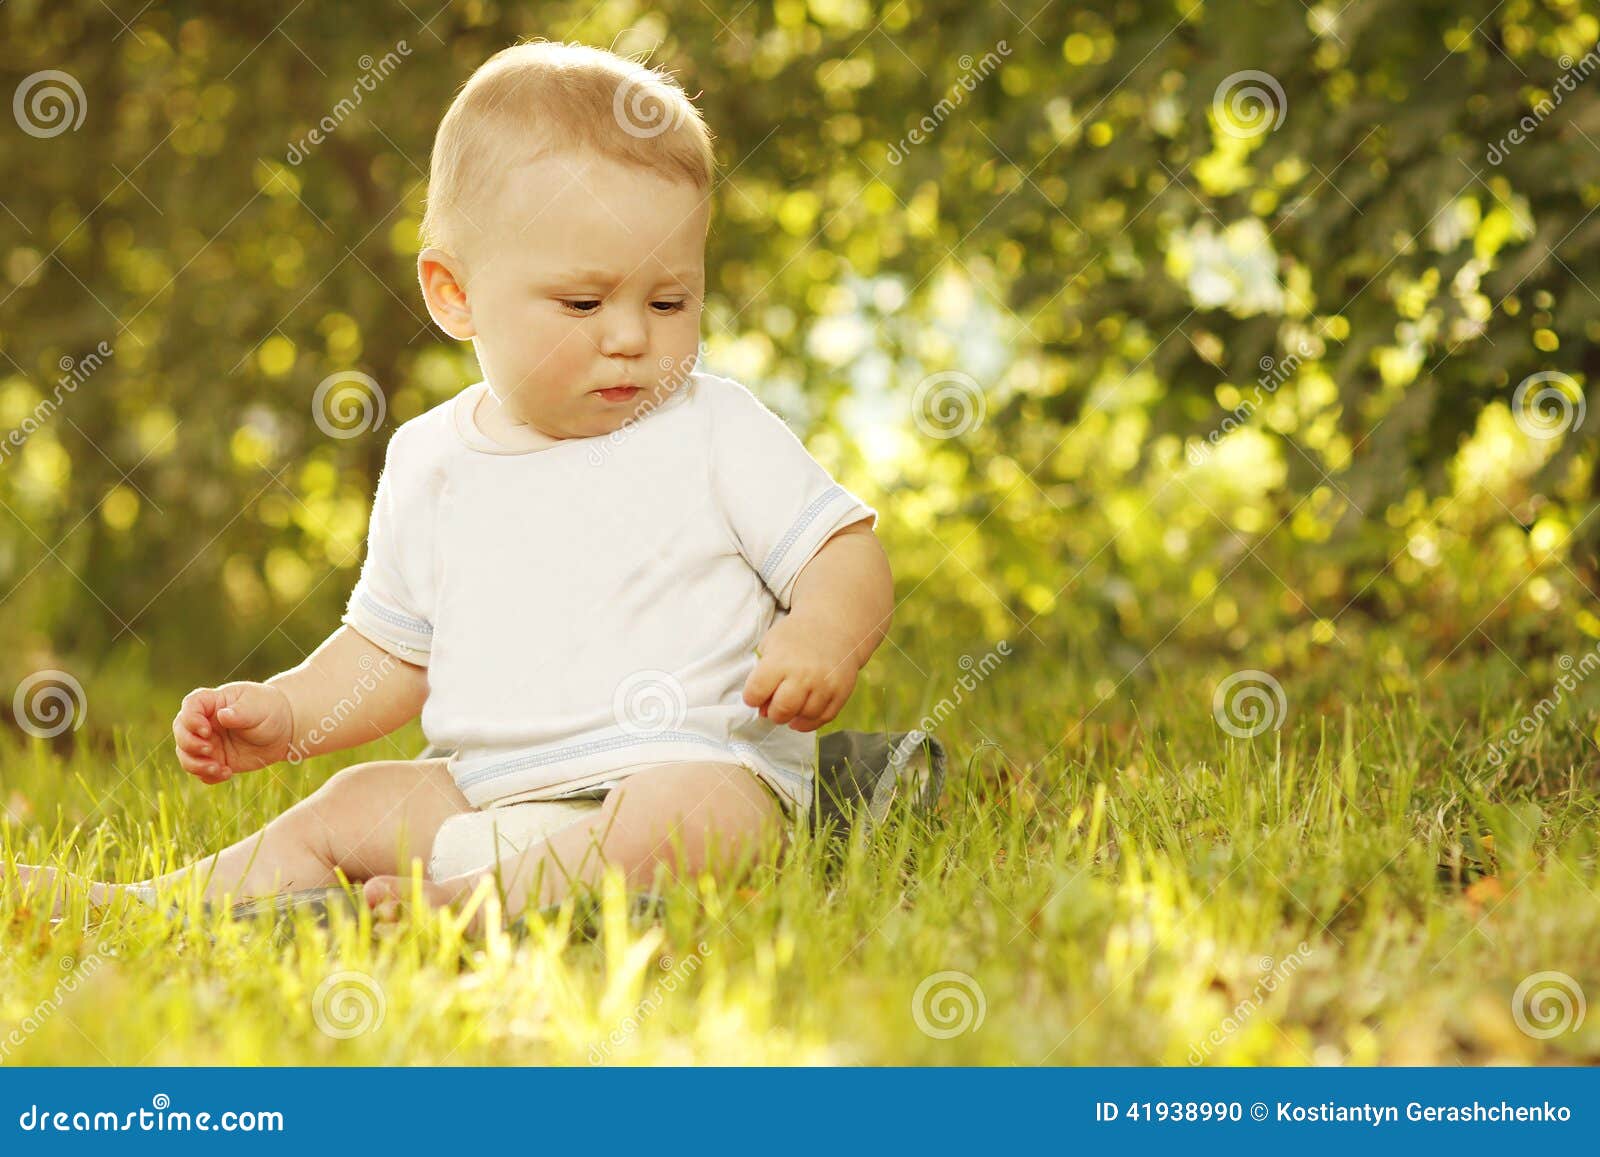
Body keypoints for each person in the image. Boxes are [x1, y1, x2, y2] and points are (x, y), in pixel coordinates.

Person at [12, 41, 893, 935]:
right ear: (454, 294)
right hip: (483, 799)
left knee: (696, 814)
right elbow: (392, 653)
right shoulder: (432, 461)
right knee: (348, 804)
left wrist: (824, 633)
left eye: (670, 303)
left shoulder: (714, 427)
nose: (630, 336)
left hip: (685, 768)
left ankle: (478, 906)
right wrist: (289, 714)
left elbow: (842, 550)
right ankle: (145, 909)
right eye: (584, 305)